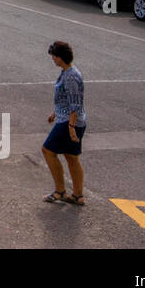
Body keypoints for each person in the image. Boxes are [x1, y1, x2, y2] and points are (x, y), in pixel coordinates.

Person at [42, 40, 87, 206]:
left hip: (69, 122)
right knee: (71, 157)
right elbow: (65, 99)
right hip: (67, 119)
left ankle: (60, 191)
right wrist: (54, 113)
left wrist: (71, 128)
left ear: (61, 57)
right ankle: (77, 195)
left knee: (47, 150)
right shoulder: (66, 72)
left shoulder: (71, 77)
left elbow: (75, 104)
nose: (53, 59)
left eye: (54, 56)